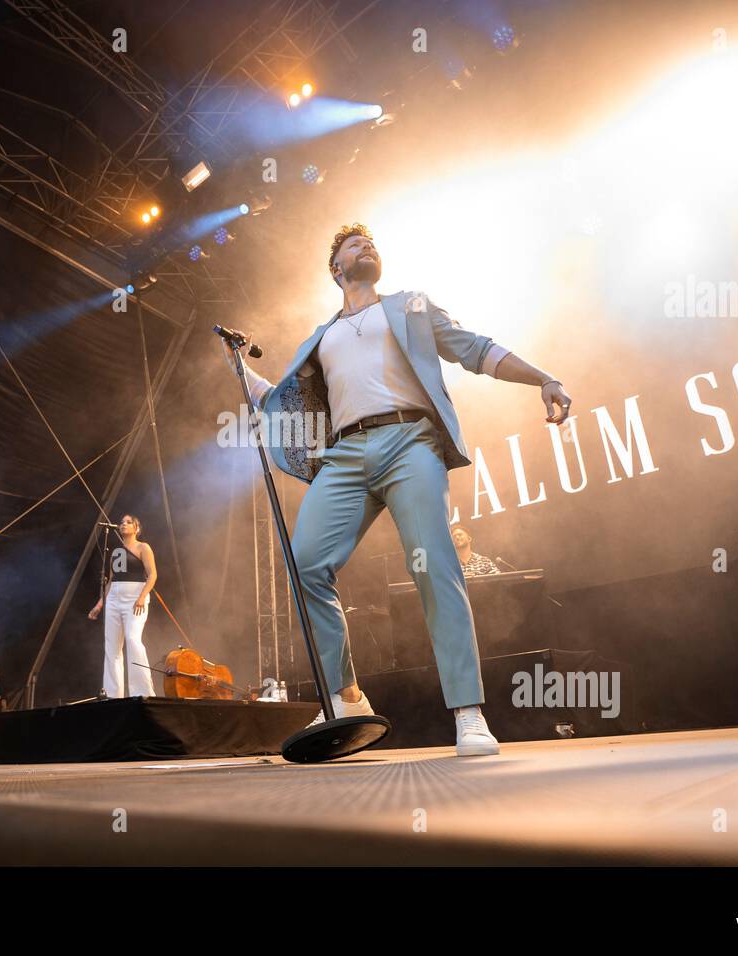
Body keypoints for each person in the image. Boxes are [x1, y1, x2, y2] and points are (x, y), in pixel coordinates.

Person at [229, 223, 572, 756]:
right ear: (336, 269)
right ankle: (347, 697)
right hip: (344, 454)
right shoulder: (321, 338)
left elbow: (475, 349)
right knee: (306, 565)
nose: (367, 247)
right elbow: (287, 402)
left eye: (371, 243)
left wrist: (542, 376)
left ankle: (468, 715)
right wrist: (245, 377)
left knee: (433, 566)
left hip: (409, 441)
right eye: (353, 245)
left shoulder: (411, 306)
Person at [89, 514, 158, 698]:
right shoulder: (116, 551)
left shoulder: (143, 547)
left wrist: (143, 596)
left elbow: (152, 575)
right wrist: (100, 604)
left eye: (128, 522)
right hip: (114, 597)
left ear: (137, 528)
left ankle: (142, 691)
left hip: (135, 595)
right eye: (121, 522)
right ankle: (113, 694)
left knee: (133, 639)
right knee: (112, 646)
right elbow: (111, 580)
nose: (123, 524)